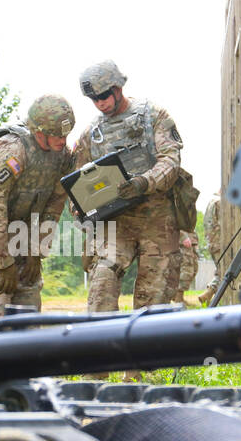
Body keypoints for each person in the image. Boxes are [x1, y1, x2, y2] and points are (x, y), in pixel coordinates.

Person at [75, 59, 182, 312]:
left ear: (118, 88)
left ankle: (145, 349)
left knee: (152, 303)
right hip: (116, 223)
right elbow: (77, 180)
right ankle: (102, 347)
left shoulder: (153, 115)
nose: (100, 103)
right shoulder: (91, 133)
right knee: (101, 285)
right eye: (94, 99)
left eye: (103, 96)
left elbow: (171, 160)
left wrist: (144, 182)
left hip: (156, 221)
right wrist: (80, 208)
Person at [0, 94, 75, 321]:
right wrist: (1, 260)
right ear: (38, 131)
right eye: (56, 135)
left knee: (29, 312)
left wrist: (37, 251)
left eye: (65, 135)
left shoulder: (62, 157)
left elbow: (54, 206)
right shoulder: (14, 150)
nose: (62, 141)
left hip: (24, 232)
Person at [199, 191, 223, 305]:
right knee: (224, 271)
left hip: (211, 242)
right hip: (219, 242)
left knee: (220, 270)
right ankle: (209, 293)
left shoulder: (211, 203)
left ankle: (209, 295)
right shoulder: (220, 203)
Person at [174, 229, 199, 304]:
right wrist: (182, 236)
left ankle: (180, 296)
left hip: (191, 238)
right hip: (182, 238)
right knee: (187, 270)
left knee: (194, 269)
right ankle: (178, 298)